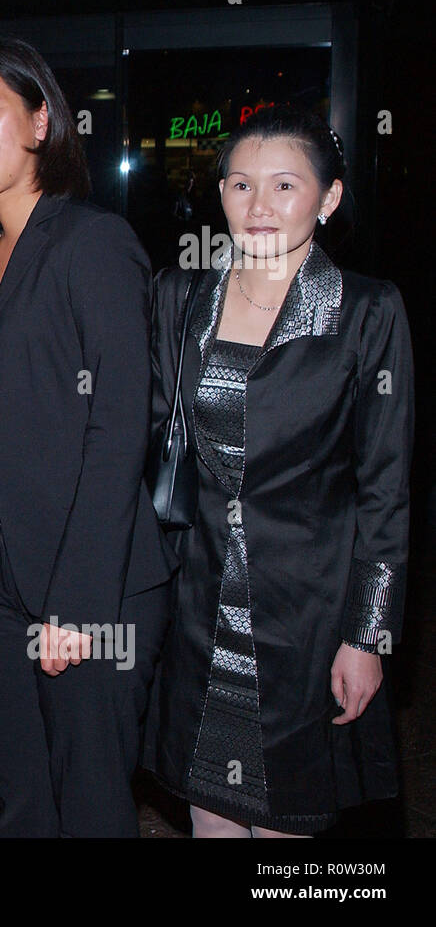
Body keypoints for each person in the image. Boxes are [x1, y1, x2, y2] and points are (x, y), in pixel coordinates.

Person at [143, 106, 412, 837]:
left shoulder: (367, 312)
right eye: (239, 186)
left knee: (290, 829)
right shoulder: (183, 296)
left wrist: (368, 636)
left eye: (285, 186)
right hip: (200, 609)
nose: (258, 207)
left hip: (310, 620)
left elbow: (384, 489)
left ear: (328, 199)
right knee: (212, 822)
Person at [0, 39, 176, 837]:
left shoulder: (93, 242)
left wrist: (76, 603)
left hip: (91, 577)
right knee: (25, 792)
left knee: (94, 801)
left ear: (40, 122)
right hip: (2, 565)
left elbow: (120, 427)